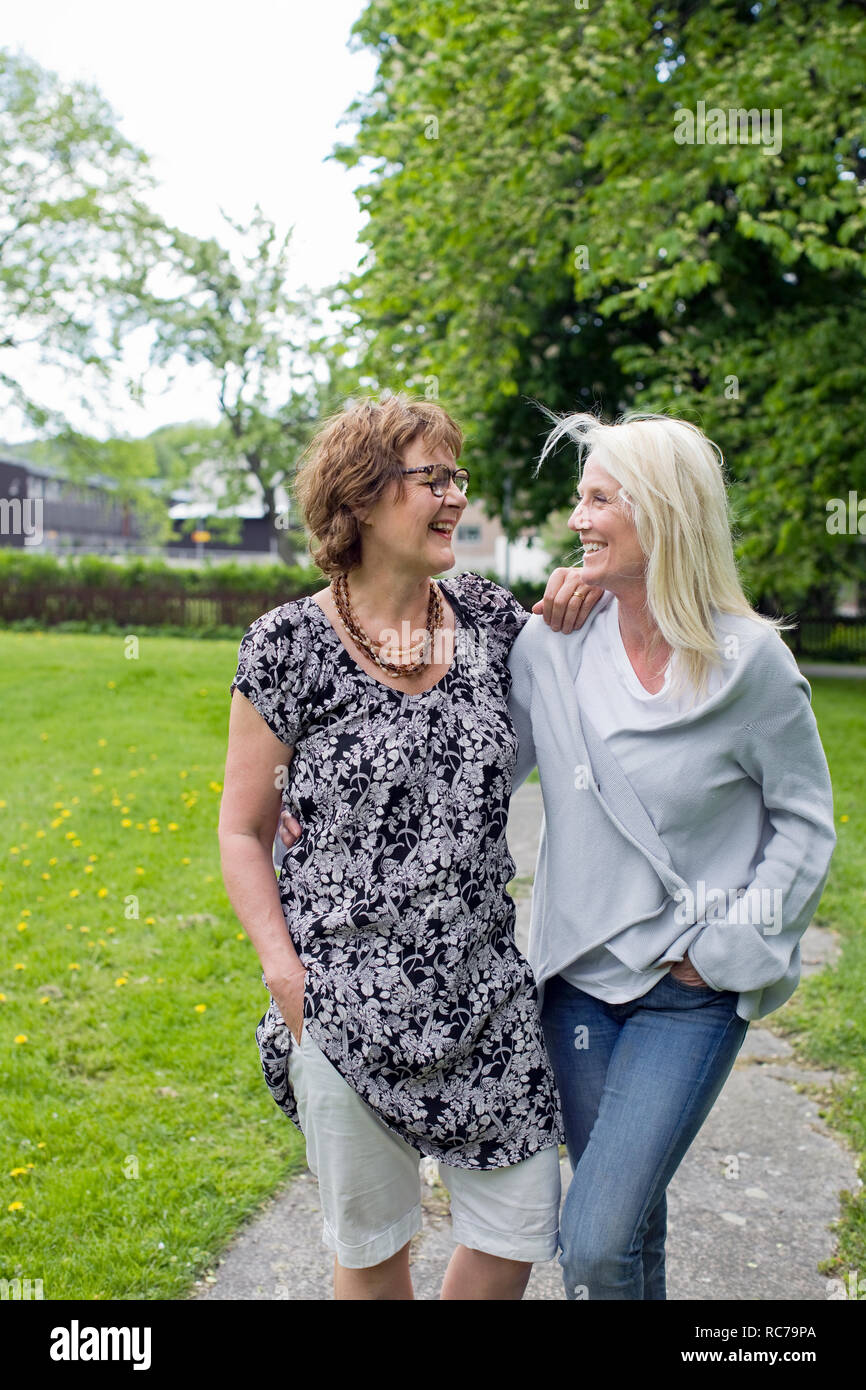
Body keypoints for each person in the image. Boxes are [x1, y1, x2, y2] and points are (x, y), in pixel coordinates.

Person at [218, 394, 598, 1301]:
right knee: (374, 1251)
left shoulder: (493, 619)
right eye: (434, 478)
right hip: (344, 1005)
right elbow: (242, 827)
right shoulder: (287, 646)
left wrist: (584, 605)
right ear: (358, 498)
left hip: (484, 998)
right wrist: (285, 973)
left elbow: (582, 706)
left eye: (457, 477)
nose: (457, 497)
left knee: (515, 1231)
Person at [505, 408, 837, 1301]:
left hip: (686, 996)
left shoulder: (748, 663)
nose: (577, 518)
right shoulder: (554, 645)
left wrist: (729, 951)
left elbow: (805, 821)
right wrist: (320, 806)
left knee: (595, 1233)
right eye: (579, 498)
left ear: (663, 514)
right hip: (577, 985)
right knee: (627, 1234)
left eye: (600, 498)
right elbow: (474, 774)